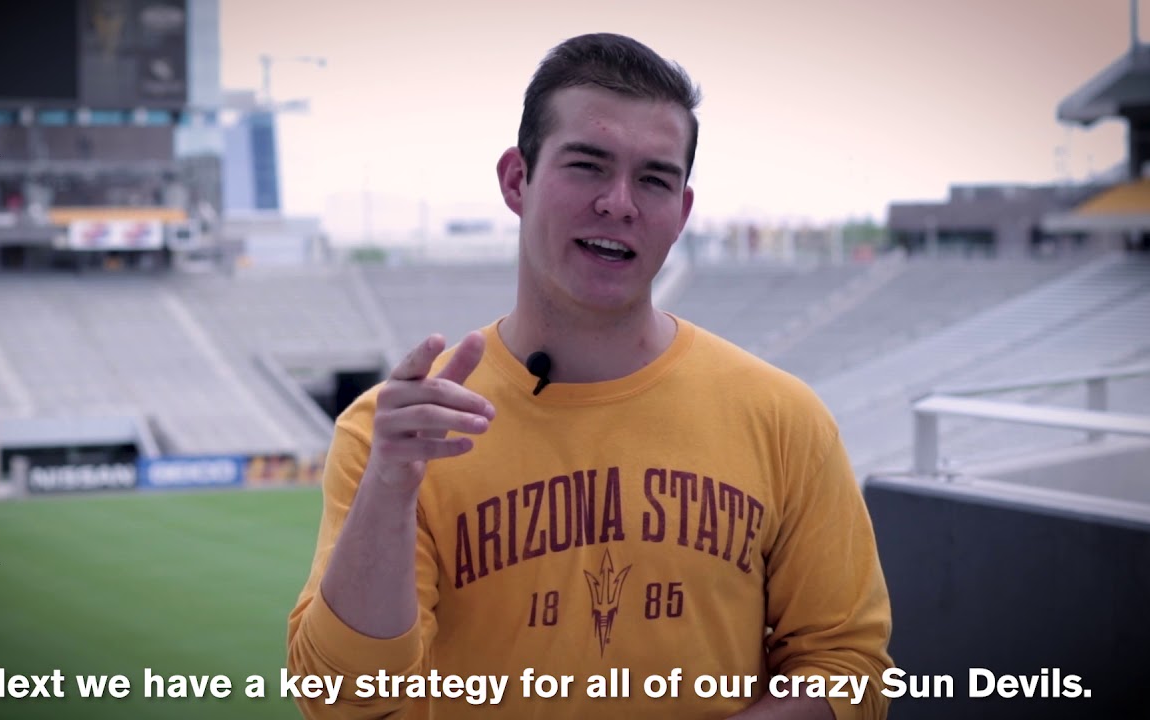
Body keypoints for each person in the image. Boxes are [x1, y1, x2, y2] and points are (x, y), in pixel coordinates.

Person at [288, 32, 892, 720]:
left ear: (682, 212)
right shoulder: (392, 436)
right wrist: (391, 488)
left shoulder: (784, 418)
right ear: (517, 179)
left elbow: (849, 668)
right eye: (587, 166)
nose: (619, 203)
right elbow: (344, 703)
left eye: (654, 179)